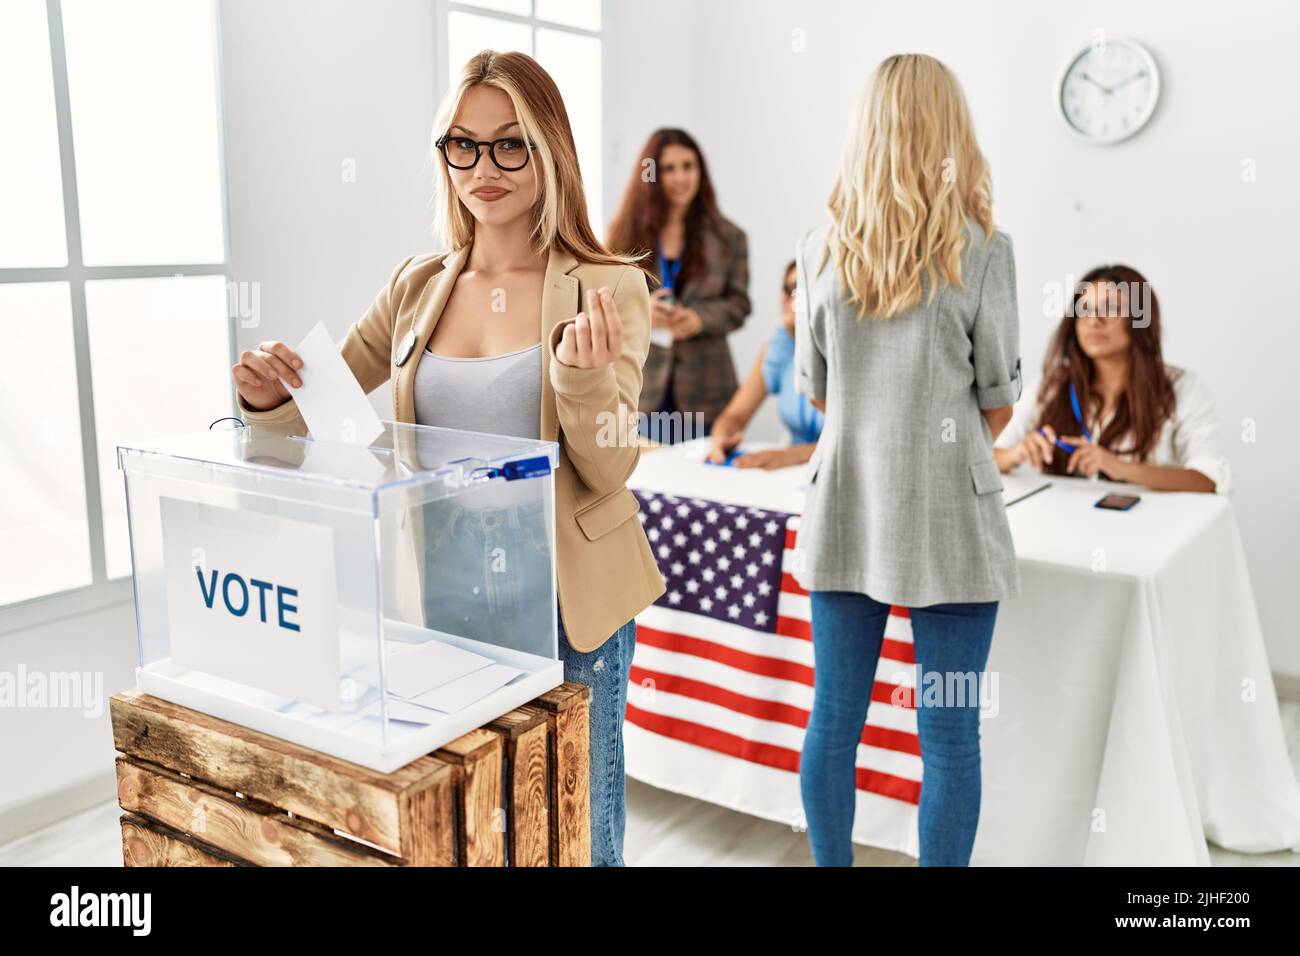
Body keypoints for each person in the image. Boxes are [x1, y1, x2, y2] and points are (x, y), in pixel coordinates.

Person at [230, 50, 666, 866]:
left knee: (577, 824)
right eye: (461, 145)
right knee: (477, 819)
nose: (483, 167)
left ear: (550, 153)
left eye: (511, 144)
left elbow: (609, 469)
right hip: (444, 600)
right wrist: (262, 397)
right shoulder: (416, 284)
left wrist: (576, 378)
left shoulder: (609, 287)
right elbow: (310, 410)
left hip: (569, 606)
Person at [793, 54, 1022, 867]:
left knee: (834, 718)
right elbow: (998, 398)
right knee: (950, 736)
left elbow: (815, 392)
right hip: (952, 521)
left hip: (844, 507)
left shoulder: (820, 249)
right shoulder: (984, 249)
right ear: (951, 132)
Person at [993, 265, 1230, 493]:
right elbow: (987, 458)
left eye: (1111, 308)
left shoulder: (1183, 387)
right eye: (1084, 309)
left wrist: (1118, 467)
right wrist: (1016, 453)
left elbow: (1207, 479)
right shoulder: (1052, 384)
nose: (1093, 320)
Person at [606, 128, 751, 444]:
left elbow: (740, 305)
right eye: (668, 168)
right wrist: (642, 312)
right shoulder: (622, 235)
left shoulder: (729, 238)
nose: (680, 177)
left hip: (707, 391)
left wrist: (700, 319)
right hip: (643, 390)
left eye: (688, 166)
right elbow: (603, 301)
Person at [705, 260, 824, 468]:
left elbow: (859, 442)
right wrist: (721, 436)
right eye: (784, 289)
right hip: (788, 474)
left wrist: (789, 456)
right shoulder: (778, 349)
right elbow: (735, 415)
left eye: (796, 289)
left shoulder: (852, 357)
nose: (785, 298)